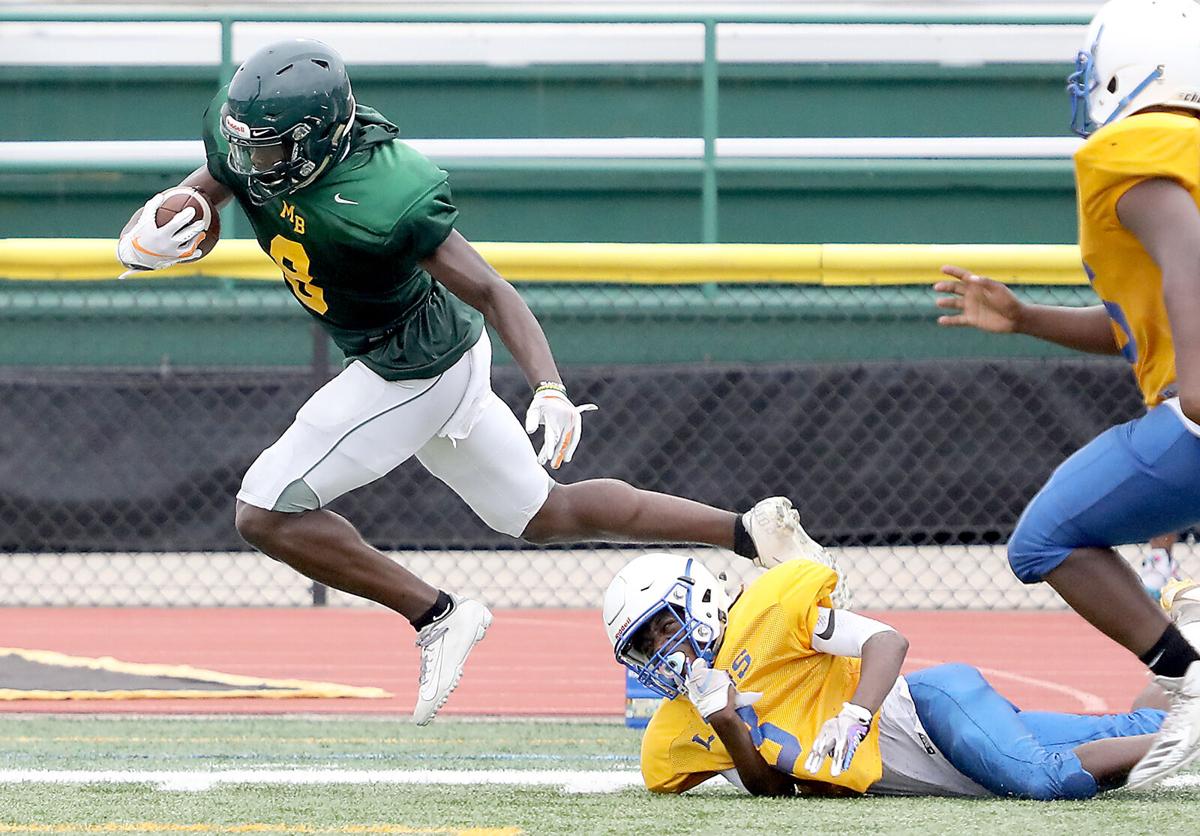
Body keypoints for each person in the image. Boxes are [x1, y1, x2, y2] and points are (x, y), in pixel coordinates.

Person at [114, 39, 847, 726]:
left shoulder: (387, 190)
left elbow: (493, 290)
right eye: (244, 143)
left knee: (263, 510)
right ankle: (747, 531)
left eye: (266, 149)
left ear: (317, 141)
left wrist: (550, 387)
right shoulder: (252, 134)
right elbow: (218, 184)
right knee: (543, 514)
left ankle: (437, 614)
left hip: (409, 364)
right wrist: (176, 216)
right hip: (431, 354)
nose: (248, 158)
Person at [931, 0, 1200, 787]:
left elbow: (1188, 257)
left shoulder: (1137, 150)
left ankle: (1189, 680)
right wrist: (1025, 318)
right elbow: (1138, 323)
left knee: (1045, 537)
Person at [603, 552, 1170, 798]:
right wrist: (727, 724)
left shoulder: (771, 609)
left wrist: (854, 716)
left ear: (699, 598)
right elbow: (775, 790)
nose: (663, 647)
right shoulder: (681, 731)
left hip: (926, 713)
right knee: (1130, 727)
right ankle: (1185, 637)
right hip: (913, 768)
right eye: (644, 645)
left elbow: (886, 640)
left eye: (664, 624)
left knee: (1044, 780)